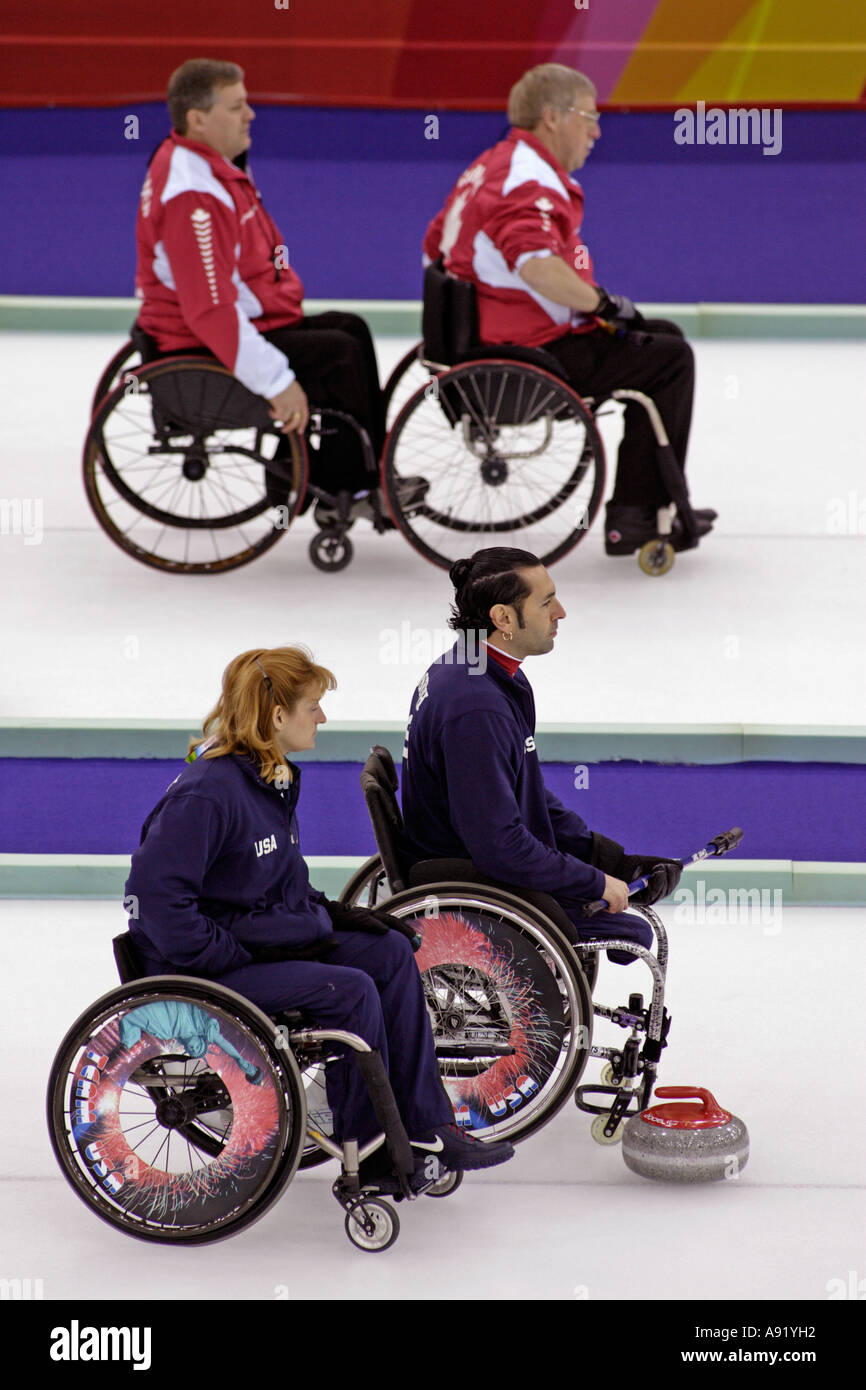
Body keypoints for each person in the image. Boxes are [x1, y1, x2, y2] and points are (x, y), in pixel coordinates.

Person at [124, 645, 514, 1188]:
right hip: (209, 967)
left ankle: (425, 1127)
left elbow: (281, 885)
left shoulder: (267, 780)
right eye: (313, 706)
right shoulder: (207, 796)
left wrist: (341, 917)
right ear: (276, 715)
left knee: (390, 953)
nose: (323, 718)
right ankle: (370, 1149)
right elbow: (155, 904)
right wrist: (234, 953)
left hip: (260, 944)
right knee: (348, 990)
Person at [423, 63, 716, 559]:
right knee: (669, 359)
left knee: (659, 336)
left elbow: (434, 247)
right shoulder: (526, 177)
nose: (597, 131)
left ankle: (641, 506)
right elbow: (538, 267)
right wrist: (602, 304)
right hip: (525, 358)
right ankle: (635, 518)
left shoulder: (492, 164)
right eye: (590, 117)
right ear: (553, 117)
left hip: (491, 342)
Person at [400, 549, 683, 962]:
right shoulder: (477, 707)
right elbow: (500, 846)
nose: (561, 613)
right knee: (633, 930)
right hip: (480, 888)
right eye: (546, 602)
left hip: (478, 867)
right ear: (503, 618)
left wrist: (612, 861)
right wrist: (594, 883)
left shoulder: (476, 668)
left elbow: (525, 792)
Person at [134, 58, 384, 503]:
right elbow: (209, 311)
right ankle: (347, 484)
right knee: (340, 355)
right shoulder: (194, 196)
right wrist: (277, 382)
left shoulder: (206, 164)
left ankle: (364, 468)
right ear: (198, 119)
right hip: (199, 342)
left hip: (247, 320)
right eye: (236, 107)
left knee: (351, 328)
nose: (250, 115)